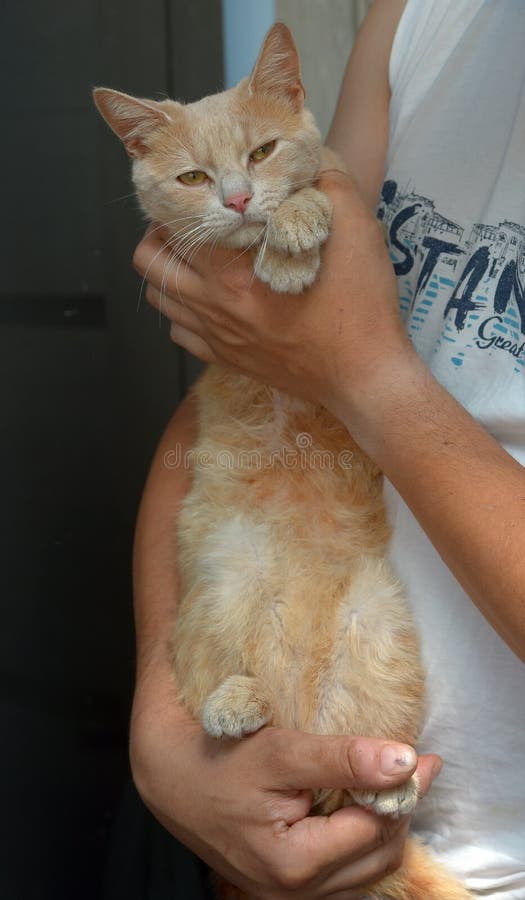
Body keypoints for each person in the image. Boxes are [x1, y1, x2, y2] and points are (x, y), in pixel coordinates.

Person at [130, 0, 525, 896]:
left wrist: (369, 376)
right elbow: (242, 376)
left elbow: (331, 356)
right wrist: (168, 733)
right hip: (301, 818)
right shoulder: (420, 14)